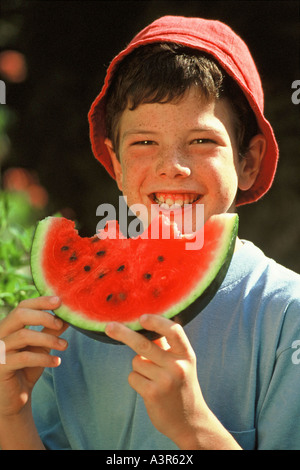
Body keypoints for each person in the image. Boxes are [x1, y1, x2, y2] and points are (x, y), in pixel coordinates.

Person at [0, 15, 300, 450]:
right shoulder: (65, 319)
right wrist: (12, 413)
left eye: (202, 142)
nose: (171, 166)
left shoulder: (286, 313)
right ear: (116, 163)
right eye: (143, 143)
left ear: (248, 161)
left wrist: (193, 426)